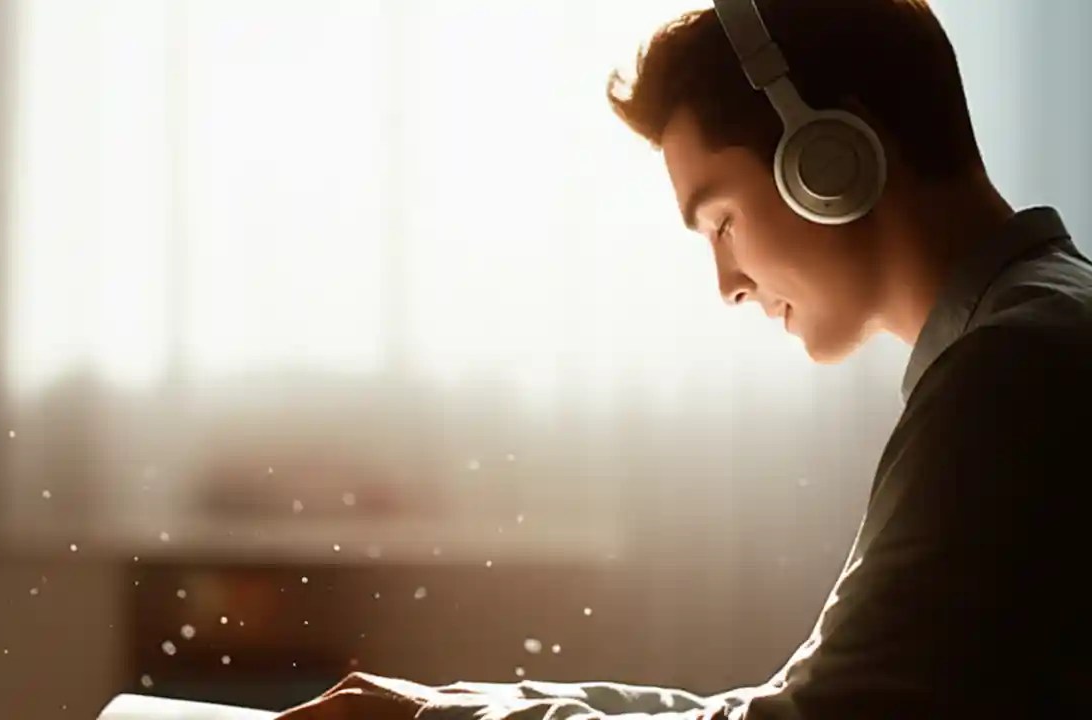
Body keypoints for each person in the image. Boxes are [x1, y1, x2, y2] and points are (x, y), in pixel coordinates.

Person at [274, 1, 1092, 718]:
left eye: (721, 221)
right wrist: (462, 709)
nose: (727, 285)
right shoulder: (1038, 331)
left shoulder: (1008, 376)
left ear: (831, 157)